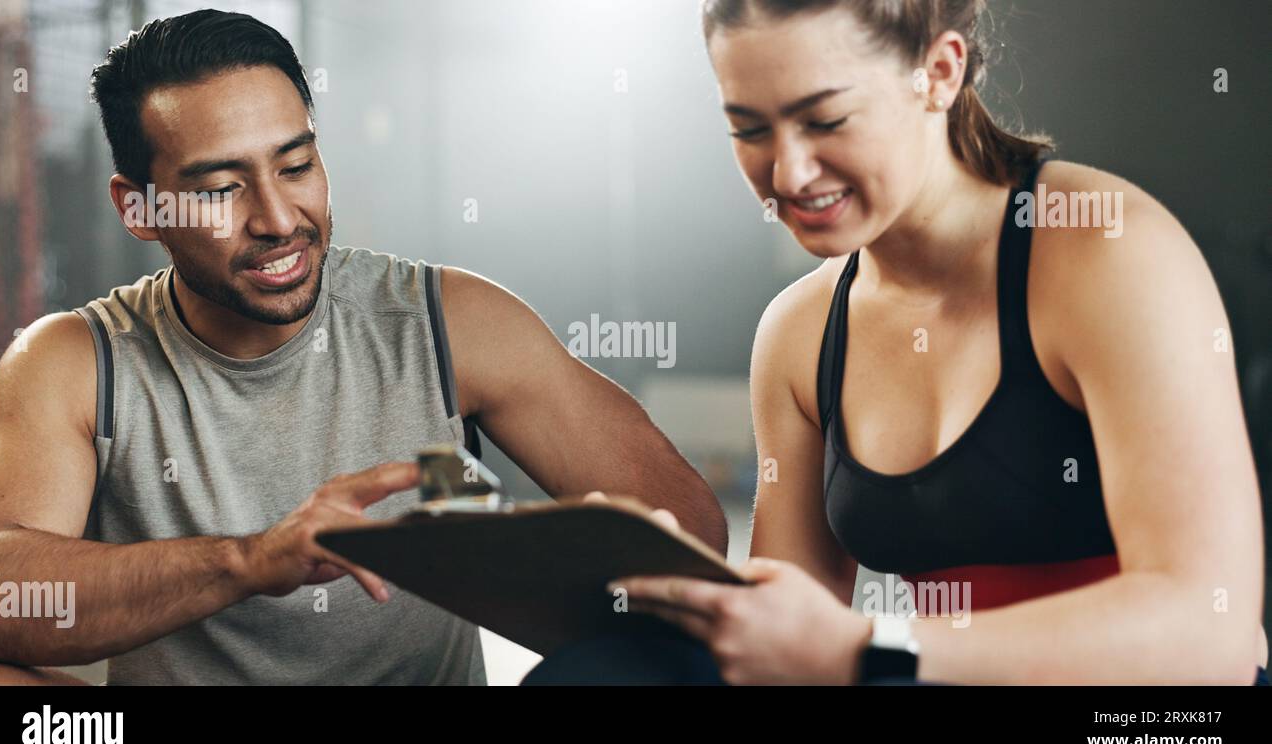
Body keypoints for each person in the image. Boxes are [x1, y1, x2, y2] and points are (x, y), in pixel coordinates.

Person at [0, 9, 726, 686]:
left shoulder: (446, 319)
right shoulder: (73, 361)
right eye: (220, 189)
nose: (276, 217)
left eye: (296, 166)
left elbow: (694, 531)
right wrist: (248, 560)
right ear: (138, 207)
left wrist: (498, 550)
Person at [531, 0, 1268, 685]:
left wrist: (876, 648)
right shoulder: (799, 331)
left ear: (940, 73)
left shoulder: (1104, 250)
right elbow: (786, 640)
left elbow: (1213, 633)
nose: (787, 172)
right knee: (597, 671)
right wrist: (657, 589)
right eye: (751, 129)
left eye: (826, 120)